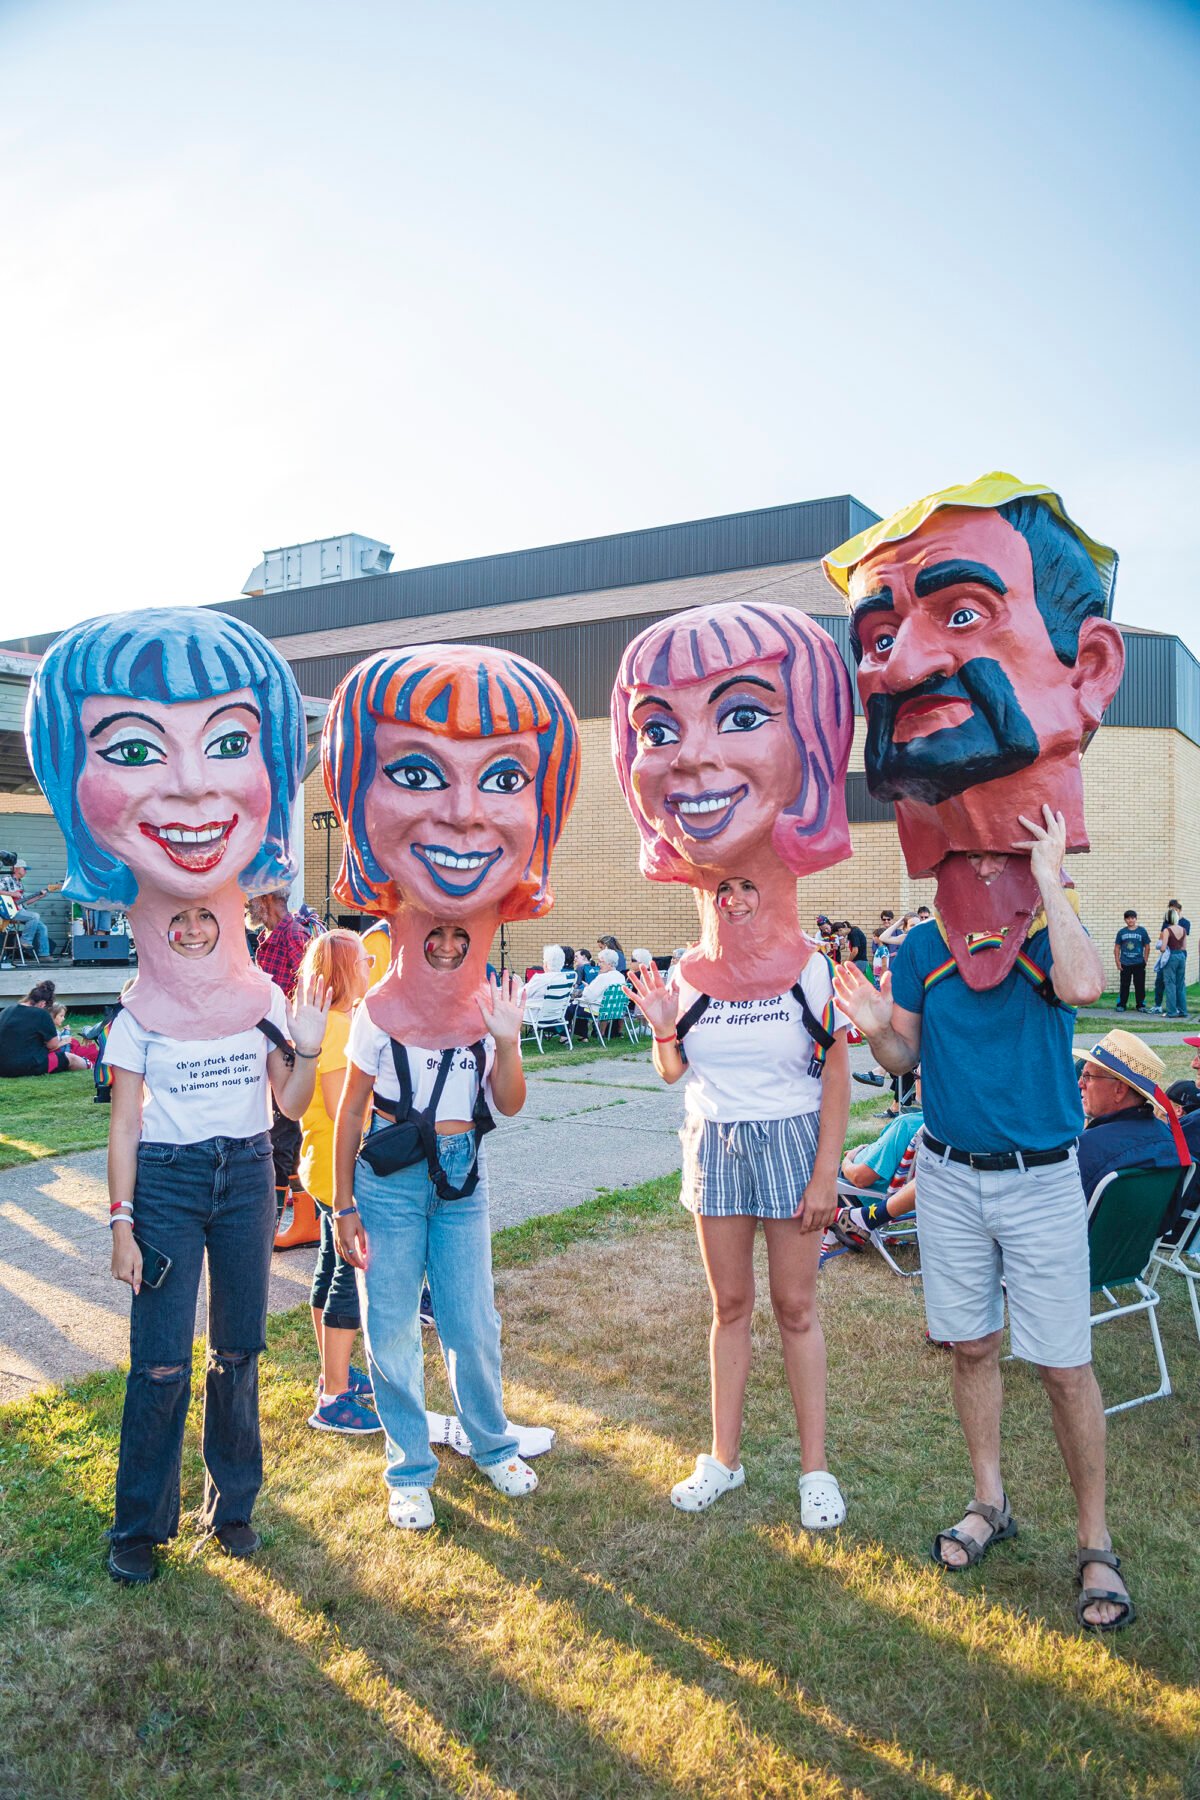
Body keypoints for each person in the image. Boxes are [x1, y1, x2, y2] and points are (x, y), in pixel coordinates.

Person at [824, 475, 1134, 1632]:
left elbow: (1087, 985)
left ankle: (1095, 1544)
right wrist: (872, 1024)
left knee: (1063, 1365)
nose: (895, 669)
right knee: (971, 1349)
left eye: (958, 614)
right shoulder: (920, 943)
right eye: (882, 635)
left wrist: (1051, 882)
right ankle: (990, 1500)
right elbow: (906, 1056)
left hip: (1043, 1181)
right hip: (948, 1174)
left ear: (1087, 667)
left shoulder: (1053, 924)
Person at [25, 604, 320, 1584]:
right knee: (159, 1363)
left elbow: (286, 1103)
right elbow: (124, 1123)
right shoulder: (138, 1015)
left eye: (228, 741)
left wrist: (310, 1052)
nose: (193, 930)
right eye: (181, 923)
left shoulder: (265, 996)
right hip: (160, 1183)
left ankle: (233, 1510)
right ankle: (135, 1532)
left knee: (238, 1351)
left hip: (241, 1176)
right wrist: (117, 1220)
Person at [323, 640, 579, 1531]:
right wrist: (340, 1207)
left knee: (474, 1328)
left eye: (453, 938)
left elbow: (507, 1103)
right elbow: (350, 1112)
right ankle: (407, 1469)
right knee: (390, 1333)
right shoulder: (377, 1012)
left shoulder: (486, 1010)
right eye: (429, 935)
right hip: (387, 1189)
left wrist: (505, 1042)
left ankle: (493, 1443)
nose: (442, 944)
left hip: (462, 1184)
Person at [612, 598, 854, 1528]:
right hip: (715, 1146)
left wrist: (828, 1171)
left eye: (742, 714)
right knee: (730, 1309)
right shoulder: (686, 972)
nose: (740, 896)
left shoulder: (813, 972)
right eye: (660, 728)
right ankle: (723, 1458)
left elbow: (834, 1074)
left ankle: (815, 1469)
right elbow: (674, 1077)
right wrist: (665, 1028)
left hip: (794, 1144)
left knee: (797, 1309)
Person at [297, 928, 381, 1436]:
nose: (373, 966)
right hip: (337, 1169)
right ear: (346, 971)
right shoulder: (335, 1026)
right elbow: (337, 1105)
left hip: (323, 1164)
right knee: (348, 1276)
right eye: (365, 961)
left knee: (330, 1266)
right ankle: (332, 1397)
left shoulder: (338, 1021)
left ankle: (333, 1369)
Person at [250, 889, 314, 1224]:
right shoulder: (266, 936)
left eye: (254, 898)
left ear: (269, 900)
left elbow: (309, 987)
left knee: (284, 1134)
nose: (249, 904)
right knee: (281, 1131)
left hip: (287, 1043)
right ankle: (300, 1217)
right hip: (269, 1041)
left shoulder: (295, 934)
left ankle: (277, 1221)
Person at [1075, 1030, 1185, 1201]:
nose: (1080, 1083)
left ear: (1119, 1090)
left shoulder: (1085, 1149)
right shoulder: (1171, 1143)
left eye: (1088, 1076)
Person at [0, 978, 90, 1076]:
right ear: (43, 1003)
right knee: (70, 1058)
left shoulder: (6, 1010)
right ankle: (90, 1065)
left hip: (2, 1064)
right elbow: (52, 1045)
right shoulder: (41, 1014)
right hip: (24, 1065)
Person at [0, 858, 52, 959]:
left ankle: (44, 955)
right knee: (34, 916)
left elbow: (25, 902)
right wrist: (12, 893)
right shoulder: (6, 879)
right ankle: (26, 941)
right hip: (9, 912)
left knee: (42, 927)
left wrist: (39, 896)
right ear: (16, 869)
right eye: (24, 868)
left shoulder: (20, 884)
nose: (26, 871)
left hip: (19, 911)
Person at [1113, 911, 1150, 1012]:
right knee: (1124, 985)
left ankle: (1140, 1005)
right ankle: (1122, 1004)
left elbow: (1147, 946)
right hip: (1125, 963)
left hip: (1138, 963)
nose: (1131, 920)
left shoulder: (1142, 931)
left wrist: (1145, 960)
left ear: (1136, 919)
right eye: (1128, 918)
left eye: (1133, 918)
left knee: (1140, 985)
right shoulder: (1121, 932)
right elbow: (1117, 947)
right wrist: (1117, 961)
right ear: (1125, 920)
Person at [1158, 908, 1188, 1020]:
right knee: (1180, 984)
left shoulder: (1167, 930)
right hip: (1181, 956)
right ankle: (1183, 1011)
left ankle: (1172, 1012)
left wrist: (1161, 945)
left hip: (1171, 957)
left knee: (1170, 984)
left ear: (1167, 918)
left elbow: (1163, 948)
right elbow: (1184, 947)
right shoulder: (1183, 930)